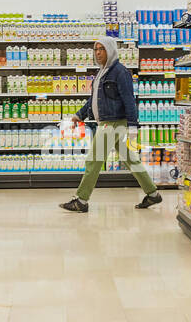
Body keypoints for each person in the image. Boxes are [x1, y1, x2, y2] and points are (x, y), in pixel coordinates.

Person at [59, 35, 162, 213]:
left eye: (102, 49)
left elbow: (129, 100)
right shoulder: (102, 71)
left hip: (113, 123)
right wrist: (79, 115)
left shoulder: (120, 72)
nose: (98, 53)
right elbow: (95, 99)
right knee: (131, 159)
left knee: (93, 160)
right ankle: (152, 193)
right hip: (109, 123)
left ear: (111, 50)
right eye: (96, 49)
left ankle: (81, 200)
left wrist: (133, 126)